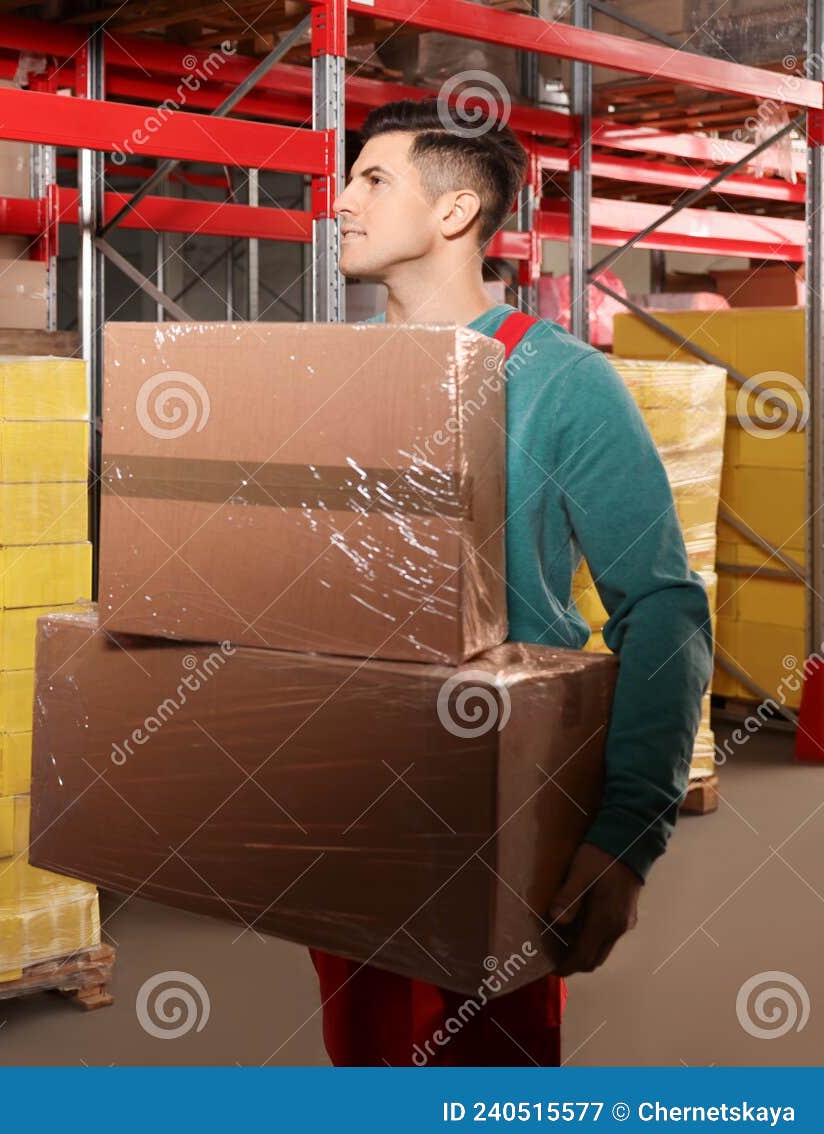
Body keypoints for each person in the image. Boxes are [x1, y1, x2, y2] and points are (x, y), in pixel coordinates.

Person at [314, 98, 713, 1066]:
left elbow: (661, 607)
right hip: (348, 795)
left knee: (484, 1076)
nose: (339, 203)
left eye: (372, 179)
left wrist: (625, 836)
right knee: (364, 1062)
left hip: (502, 799)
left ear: (454, 214)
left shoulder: (560, 380)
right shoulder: (327, 378)